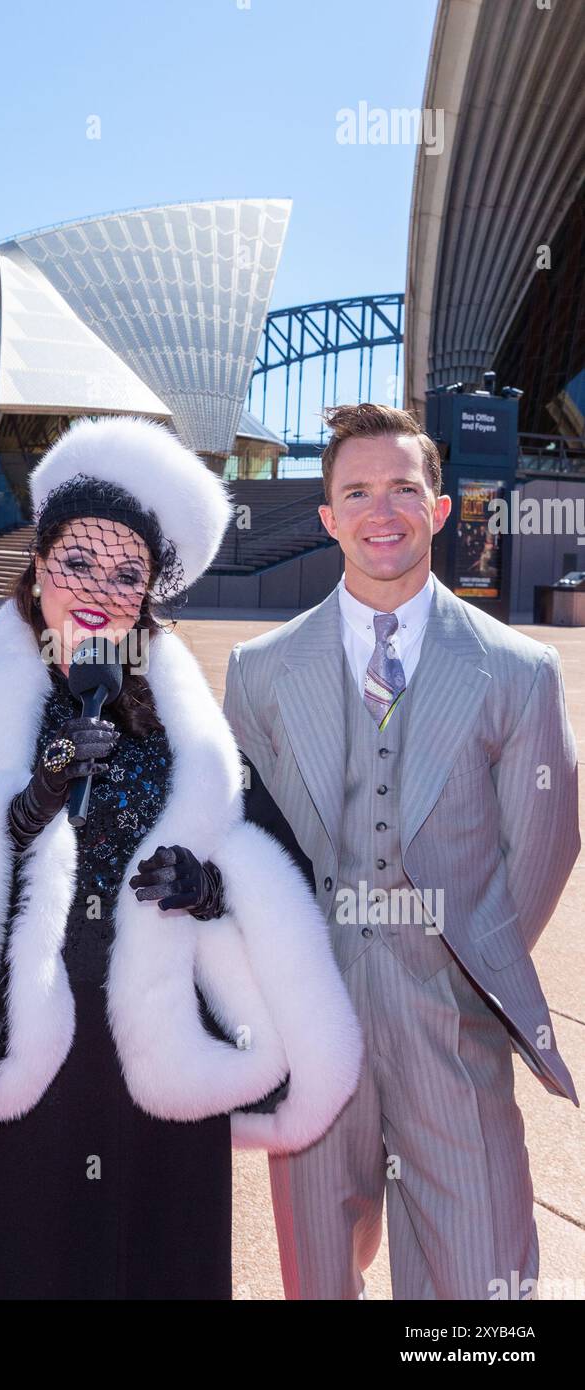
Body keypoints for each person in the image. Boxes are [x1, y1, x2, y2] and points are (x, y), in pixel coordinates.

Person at [0, 414, 362, 1300]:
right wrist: (17, 816)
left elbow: (277, 870)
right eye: (78, 562)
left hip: (149, 1071)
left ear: (150, 596)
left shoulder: (187, 724)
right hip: (20, 1053)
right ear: (40, 565)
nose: (98, 588)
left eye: (127, 573)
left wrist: (211, 892)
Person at [223, 402, 580, 1301]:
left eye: (403, 490)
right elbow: (245, 843)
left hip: (452, 1026)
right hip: (313, 1027)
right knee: (316, 1272)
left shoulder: (519, 670)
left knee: (481, 1281)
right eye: (358, 492)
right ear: (328, 516)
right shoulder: (261, 671)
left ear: (441, 507)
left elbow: (542, 843)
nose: (382, 512)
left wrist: (461, 962)